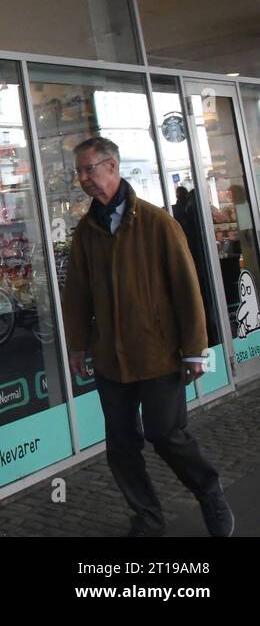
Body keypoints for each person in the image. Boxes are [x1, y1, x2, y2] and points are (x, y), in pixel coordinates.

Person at [61, 137, 233, 537]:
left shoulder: (158, 223)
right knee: (121, 446)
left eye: (88, 169)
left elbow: (186, 287)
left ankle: (209, 491)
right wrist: (78, 343)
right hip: (110, 360)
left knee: (166, 434)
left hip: (158, 354)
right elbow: (77, 293)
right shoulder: (86, 232)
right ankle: (148, 518)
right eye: (79, 172)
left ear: (112, 166)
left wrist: (195, 350)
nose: (83, 178)